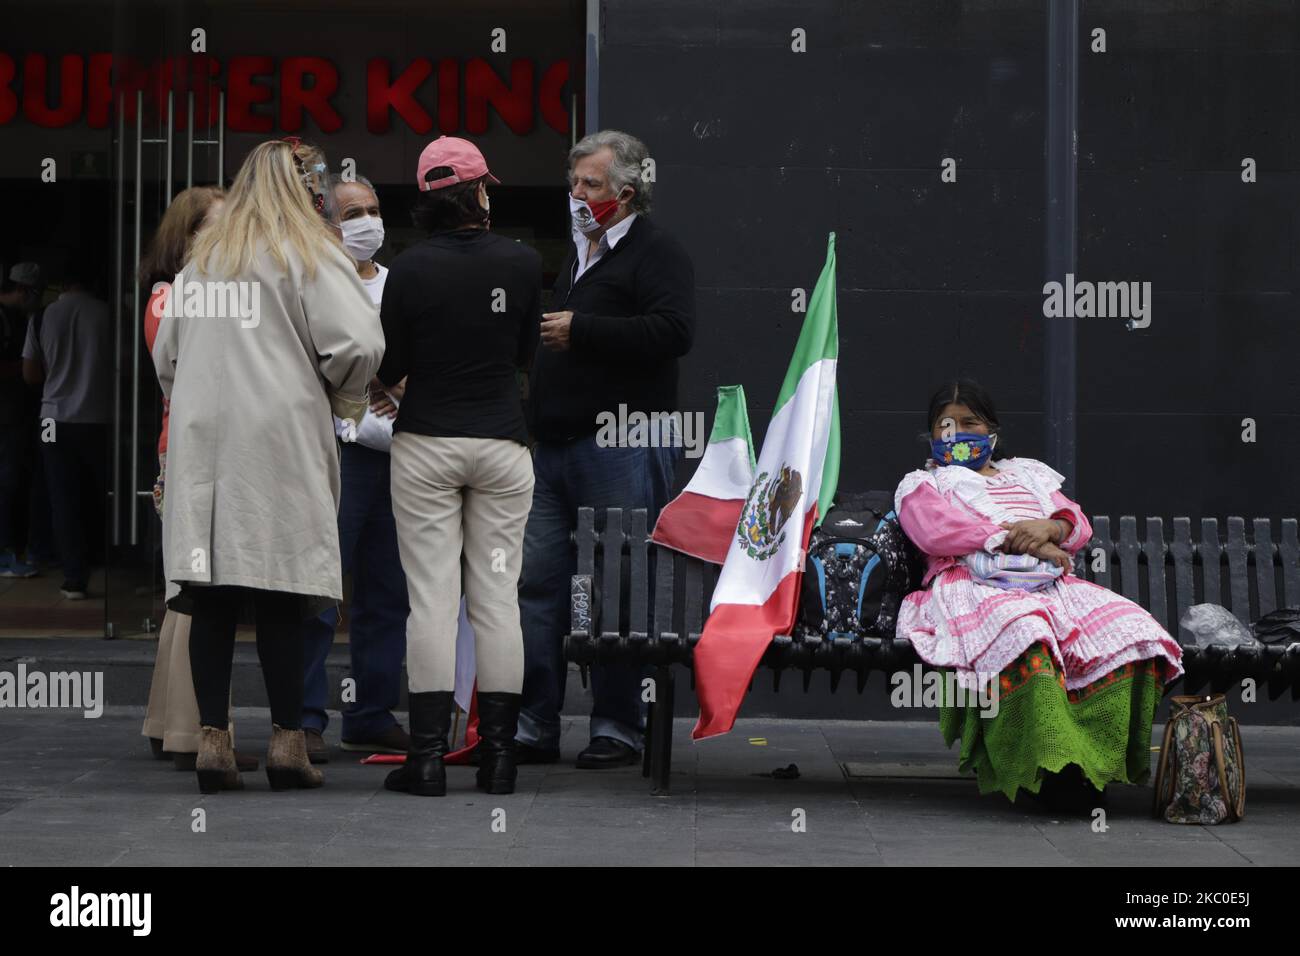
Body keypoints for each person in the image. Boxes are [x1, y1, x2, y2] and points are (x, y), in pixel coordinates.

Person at [151, 139, 384, 794]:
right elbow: (358, 343)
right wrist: (343, 393)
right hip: (278, 440)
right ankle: (287, 745)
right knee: (282, 590)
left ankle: (213, 746)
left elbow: (166, 358)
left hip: (206, 443)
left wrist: (197, 395)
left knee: (212, 593)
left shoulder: (204, 263)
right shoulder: (308, 256)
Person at [893, 379, 1183, 812]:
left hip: (1050, 584)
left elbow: (1076, 524)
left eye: (969, 422)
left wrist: (1054, 528)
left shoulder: (1027, 475)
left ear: (992, 430)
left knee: (1133, 633)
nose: (956, 434)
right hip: (971, 586)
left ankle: (1090, 763)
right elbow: (936, 534)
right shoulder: (924, 485)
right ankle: (1043, 768)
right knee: (1026, 633)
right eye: (945, 425)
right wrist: (1022, 539)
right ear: (931, 434)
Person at [517, 130, 695, 768]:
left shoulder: (656, 250)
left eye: (589, 184)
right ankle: (534, 724)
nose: (577, 194)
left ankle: (618, 726)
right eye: (574, 183)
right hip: (555, 449)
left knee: (619, 586)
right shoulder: (580, 253)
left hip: (621, 444)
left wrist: (583, 329)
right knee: (537, 584)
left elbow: (675, 331)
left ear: (627, 190)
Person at [377, 136, 539, 797]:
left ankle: (425, 760)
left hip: (425, 444)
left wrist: (396, 390)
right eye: (486, 187)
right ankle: (500, 759)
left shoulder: (408, 269)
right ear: (475, 193)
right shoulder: (525, 263)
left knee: (432, 605)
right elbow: (526, 355)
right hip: (502, 444)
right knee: (498, 602)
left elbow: (389, 365)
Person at [137, 185, 261, 778]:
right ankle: (194, 728)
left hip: (190, 448)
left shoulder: (182, 292)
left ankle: (175, 723)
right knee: (194, 596)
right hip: (187, 453)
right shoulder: (175, 294)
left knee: (186, 600)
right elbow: (178, 371)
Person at [299, 172, 411, 764]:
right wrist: (374, 378)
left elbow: (419, 358)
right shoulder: (311, 282)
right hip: (334, 454)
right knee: (319, 593)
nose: (366, 222)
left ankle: (371, 713)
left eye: (372, 208)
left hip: (398, 456)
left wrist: (393, 381)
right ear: (326, 224)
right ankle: (306, 718)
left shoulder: (402, 284)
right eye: (352, 213)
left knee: (388, 594)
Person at [21, 259, 112, 600]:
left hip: (52, 420)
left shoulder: (43, 316)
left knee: (61, 495)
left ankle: (74, 576)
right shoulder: (107, 314)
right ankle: (110, 557)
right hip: (98, 418)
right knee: (103, 492)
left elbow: (30, 375)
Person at [0, 263, 42, 577]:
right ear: (24, 290)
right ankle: (6, 553)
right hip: (8, 415)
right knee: (8, 483)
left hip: (14, 414)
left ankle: (12, 550)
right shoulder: (5, 319)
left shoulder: (16, 318)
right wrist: (29, 367)